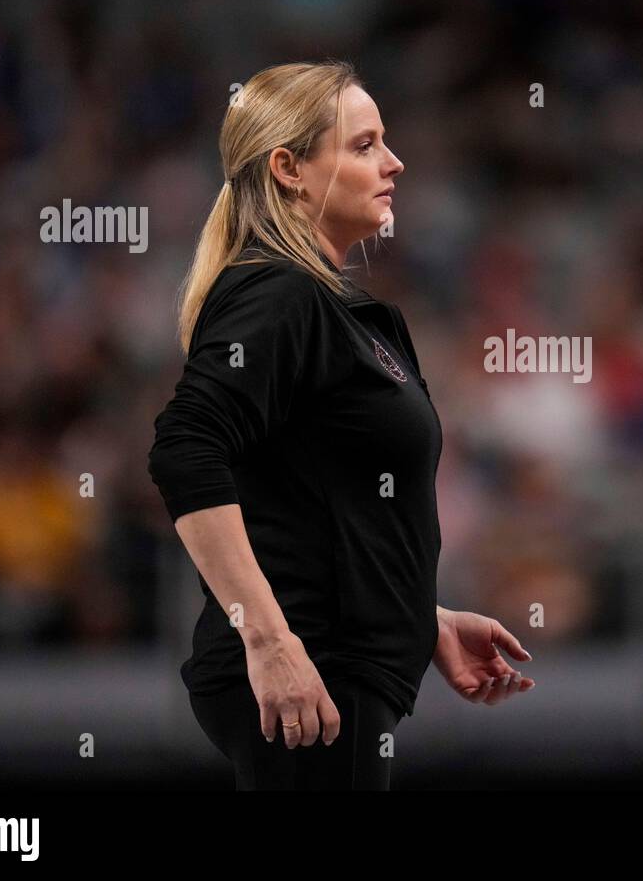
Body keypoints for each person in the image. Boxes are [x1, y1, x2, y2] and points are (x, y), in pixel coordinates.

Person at [147, 61, 534, 791]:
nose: (395, 162)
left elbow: (318, 500)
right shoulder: (279, 291)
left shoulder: (337, 312)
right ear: (289, 168)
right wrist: (269, 641)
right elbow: (185, 448)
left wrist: (424, 619)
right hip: (310, 681)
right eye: (364, 144)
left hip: (336, 674)